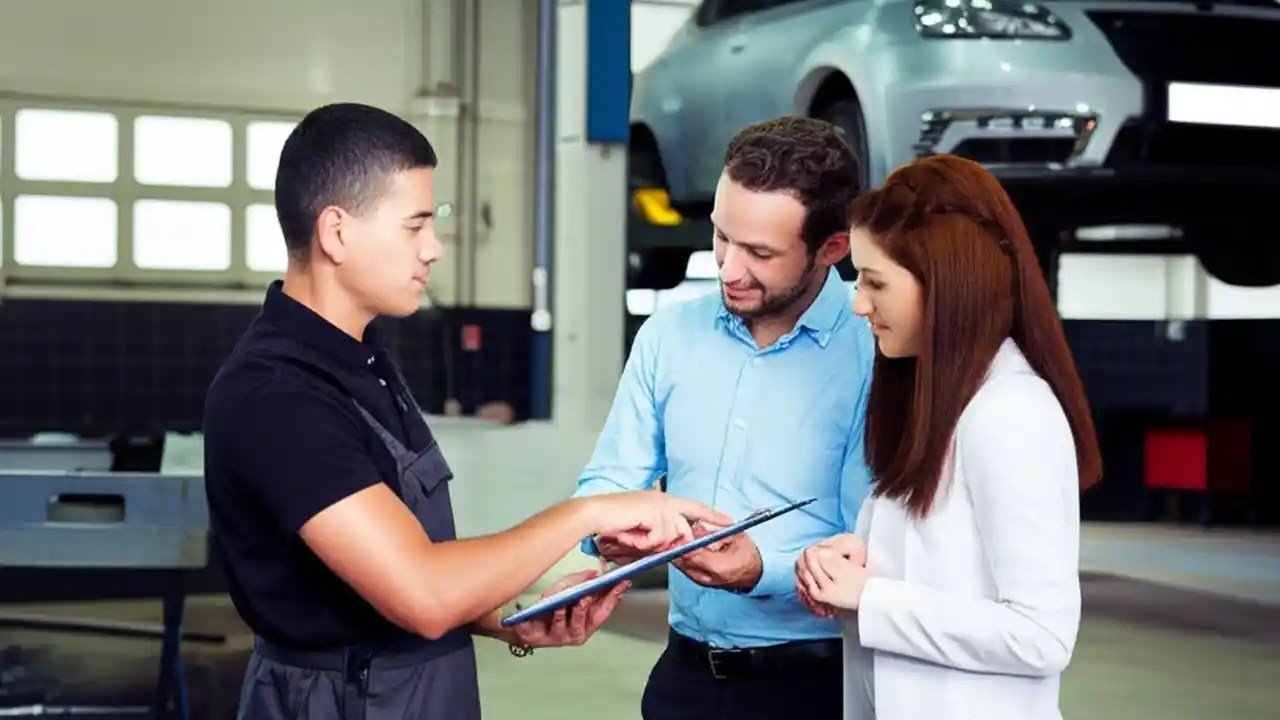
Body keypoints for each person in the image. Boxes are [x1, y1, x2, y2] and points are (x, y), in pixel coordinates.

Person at [201, 102, 730, 720]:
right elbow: (422, 590)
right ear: (336, 232)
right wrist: (593, 510)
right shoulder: (277, 395)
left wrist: (510, 615)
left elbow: (381, 570)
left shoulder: (362, 358)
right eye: (414, 225)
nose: (434, 248)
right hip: (343, 702)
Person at [571, 116, 877, 719]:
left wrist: (759, 568)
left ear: (832, 248)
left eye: (760, 252)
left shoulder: (875, 353)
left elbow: (873, 542)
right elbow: (609, 479)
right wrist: (608, 527)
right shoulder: (668, 335)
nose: (728, 269)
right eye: (720, 237)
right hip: (682, 678)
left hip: (813, 686)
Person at [794, 154, 1103, 720]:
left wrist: (871, 595)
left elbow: (1042, 634)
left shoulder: (1010, 415)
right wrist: (864, 562)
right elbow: (948, 567)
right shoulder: (940, 399)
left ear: (943, 284)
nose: (859, 303)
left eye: (875, 282)